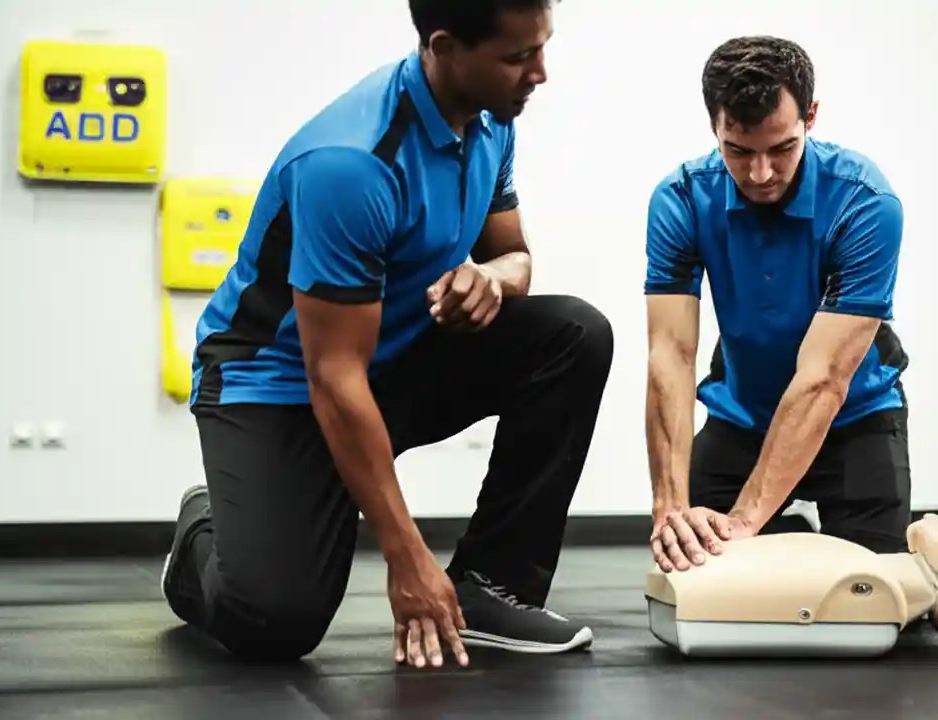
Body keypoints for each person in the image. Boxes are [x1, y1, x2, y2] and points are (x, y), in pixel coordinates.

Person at [161, 0, 611, 672]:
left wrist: (489, 278)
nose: (539, 72)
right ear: (445, 46)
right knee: (276, 622)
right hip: (274, 382)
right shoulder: (351, 163)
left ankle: (493, 588)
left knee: (573, 332)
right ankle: (204, 533)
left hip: (394, 353)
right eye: (519, 57)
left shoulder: (491, 120)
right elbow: (333, 377)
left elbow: (515, 256)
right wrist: (407, 559)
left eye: (542, 48)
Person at [643, 36, 912, 574]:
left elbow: (824, 379)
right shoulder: (681, 198)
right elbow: (670, 354)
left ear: (810, 116)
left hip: (854, 415)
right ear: (713, 126)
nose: (760, 174)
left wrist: (745, 520)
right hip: (740, 418)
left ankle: (783, 533)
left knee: (873, 597)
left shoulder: (864, 201)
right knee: (699, 574)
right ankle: (784, 534)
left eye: (782, 148)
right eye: (738, 151)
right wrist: (670, 506)